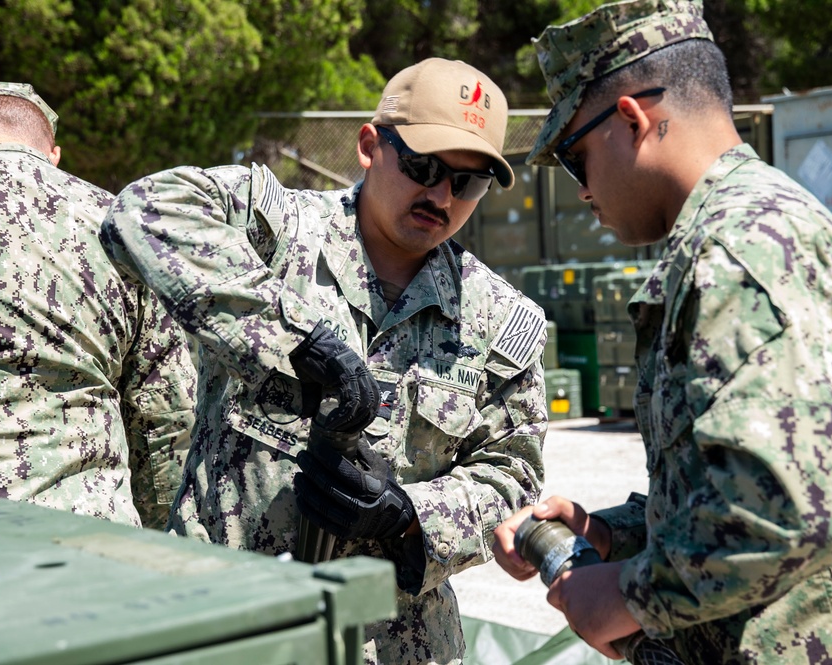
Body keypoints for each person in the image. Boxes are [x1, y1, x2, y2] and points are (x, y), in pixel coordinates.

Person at [493, 2, 832, 663]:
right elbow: (737, 484)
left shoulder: (739, 251)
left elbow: (786, 514)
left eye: (574, 158)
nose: (581, 192)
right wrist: (607, 533)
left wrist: (629, 594)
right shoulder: (745, 233)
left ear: (632, 120)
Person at [100, 57, 548, 665]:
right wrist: (292, 338)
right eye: (423, 166)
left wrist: (409, 516)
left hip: (394, 643)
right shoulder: (277, 232)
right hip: (228, 623)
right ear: (370, 145)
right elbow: (145, 209)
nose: (441, 194)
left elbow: (511, 477)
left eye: (467, 183)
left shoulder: (499, 319)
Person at [0, 80, 198, 530]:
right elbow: (165, 416)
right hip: (84, 534)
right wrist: (164, 536)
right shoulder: (118, 224)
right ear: (55, 155)